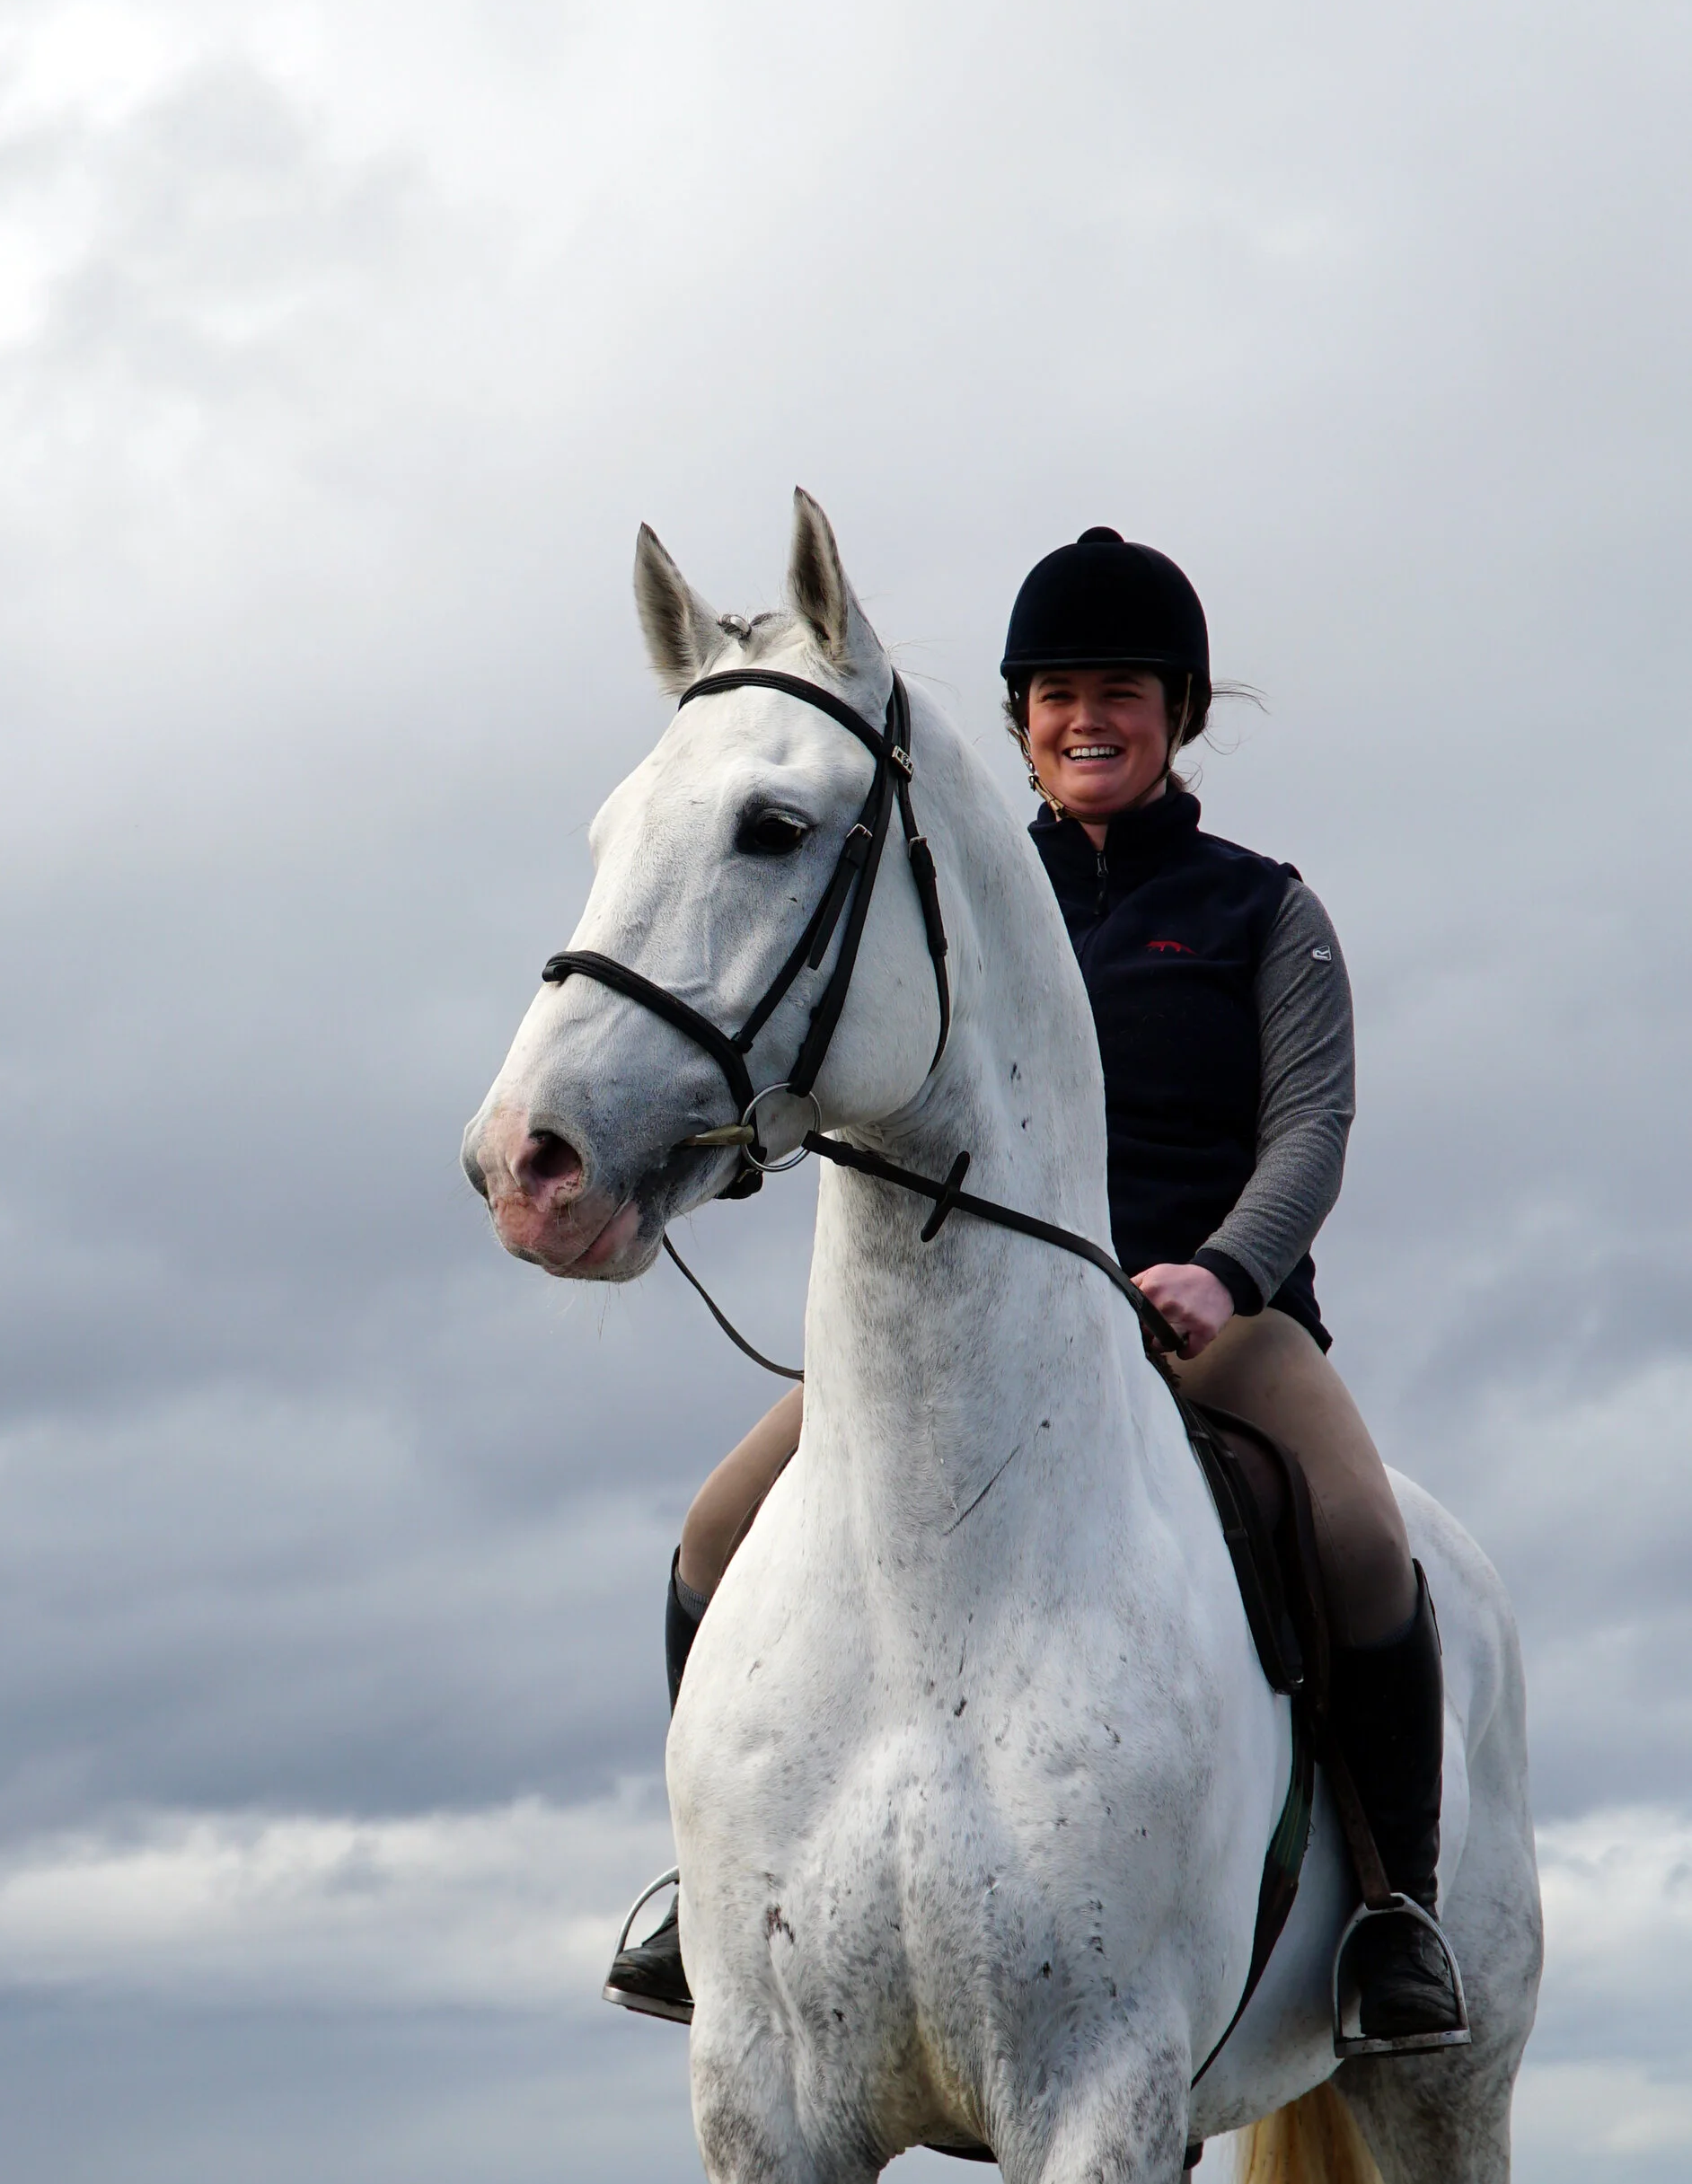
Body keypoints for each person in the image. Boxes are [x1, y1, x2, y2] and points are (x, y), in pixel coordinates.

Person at [606, 526, 1466, 2055]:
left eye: (1121, 690)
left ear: (1179, 712)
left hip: (1211, 1326)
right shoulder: (962, 900)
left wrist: (1227, 1272)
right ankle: (717, 1884)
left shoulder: (1266, 913)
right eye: (1057, 691)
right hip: (985, 1334)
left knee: (1357, 1534)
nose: (1087, 718)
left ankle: (1398, 1910)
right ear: (1017, 720)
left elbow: (1313, 1129)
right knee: (713, 1533)